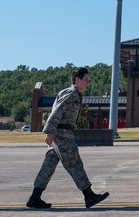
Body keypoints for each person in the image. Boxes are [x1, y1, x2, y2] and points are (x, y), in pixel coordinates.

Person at [26, 66, 109, 209]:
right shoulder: (71, 94)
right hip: (62, 134)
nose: (87, 83)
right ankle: (89, 196)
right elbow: (56, 112)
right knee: (75, 163)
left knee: (48, 166)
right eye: (86, 80)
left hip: (59, 134)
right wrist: (50, 132)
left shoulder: (71, 93)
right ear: (77, 80)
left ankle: (35, 197)